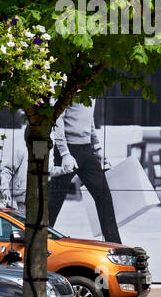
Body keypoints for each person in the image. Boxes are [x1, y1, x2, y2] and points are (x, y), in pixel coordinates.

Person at [47, 100, 122, 244]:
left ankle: (116, 245)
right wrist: (64, 154)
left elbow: (89, 121)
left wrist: (98, 148)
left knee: (104, 196)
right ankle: (40, 239)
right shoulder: (67, 86)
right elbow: (58, 121)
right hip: (68, 150)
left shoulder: (92, 91)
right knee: (54, 200)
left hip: (87, 149)